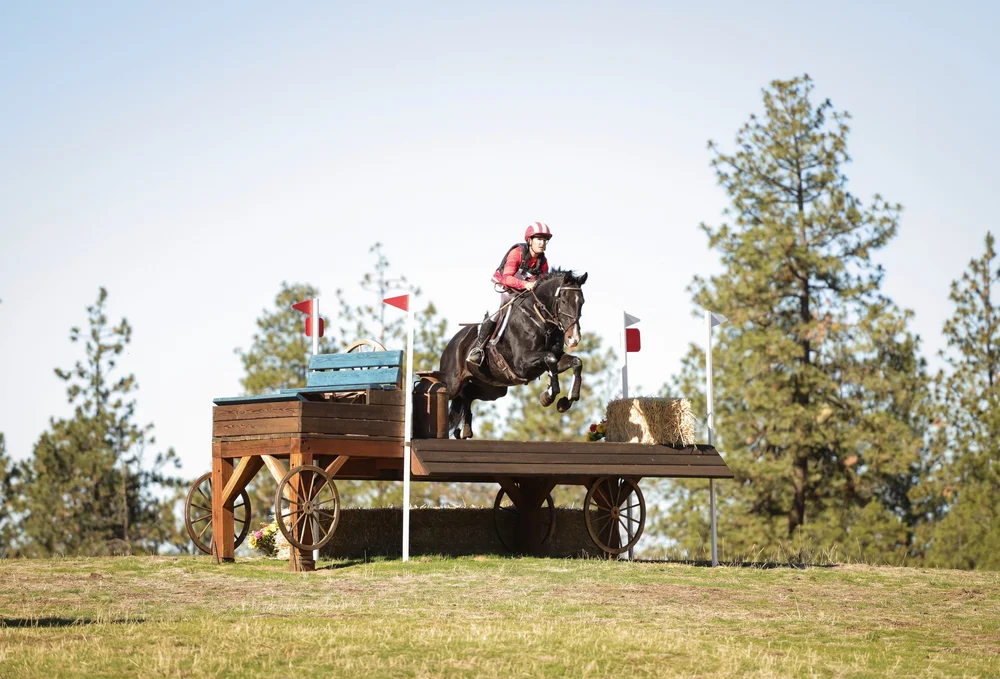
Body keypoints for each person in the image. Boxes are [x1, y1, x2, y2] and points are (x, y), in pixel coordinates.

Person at [467, 222, 552, 366]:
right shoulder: (517, 252)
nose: (542, 243)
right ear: (530, 240)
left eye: (545, 240)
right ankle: (478, 349)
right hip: (502, 289)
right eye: (539, 239)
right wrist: (525, 284)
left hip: (520, 294)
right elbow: (507, 278)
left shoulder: (543, 262)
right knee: (496, 311)